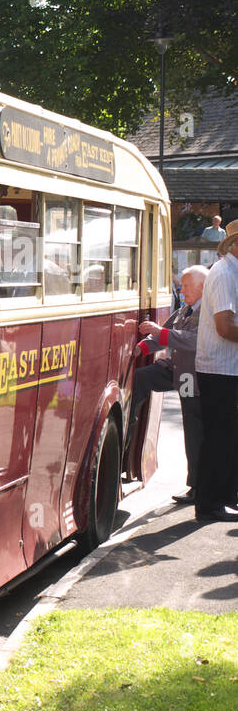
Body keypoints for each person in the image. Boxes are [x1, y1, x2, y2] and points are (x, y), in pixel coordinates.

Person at [125, 265, 206, 502]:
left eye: (187, 286)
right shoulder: (185, 309)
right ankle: (129, 430)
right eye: (182, 285)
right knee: (139, 379)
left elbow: (190, 340)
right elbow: (164, 333)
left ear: (202, 288)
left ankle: (197, 486)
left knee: (194, 430)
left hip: (193, 376)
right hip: (177, 370)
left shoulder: (207, 312)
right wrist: (142, 348)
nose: (182, 289)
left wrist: (159, 334)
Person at [191, 220, 238, 522]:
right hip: (220, 370)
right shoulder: (225, 273)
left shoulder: (229, 271)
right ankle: (209, 503)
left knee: (225, 436)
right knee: (220, 437)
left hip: (225, 369)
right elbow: (225, 327)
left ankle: (221, 497)